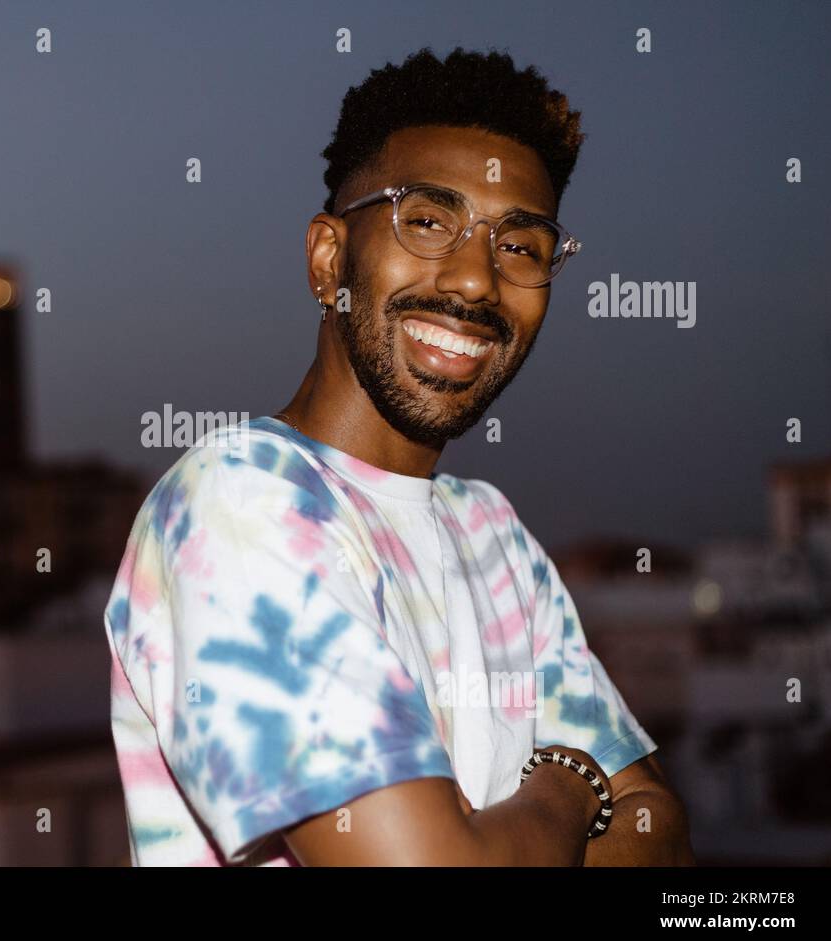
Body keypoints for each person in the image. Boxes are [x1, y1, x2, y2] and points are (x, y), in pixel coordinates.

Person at [104, 47, 694, 866]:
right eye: (427, 220)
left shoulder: (492, 533)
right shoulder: (240, 499)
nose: (478, 281)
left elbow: (656, 826)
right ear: (326, 260)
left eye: (521, 246)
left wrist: (518, 826)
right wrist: (570, 779)